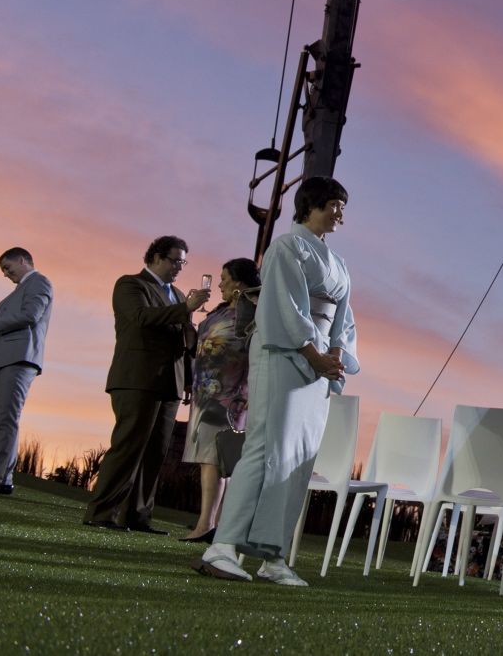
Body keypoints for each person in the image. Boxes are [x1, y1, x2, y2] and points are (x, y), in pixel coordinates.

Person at [197, 176, 359, 585]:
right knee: (266, 446)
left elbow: (343, 318)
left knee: (299, 457)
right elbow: (284, 305)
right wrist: (314, 354)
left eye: (343, 205)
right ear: (311, 204)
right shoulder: (286, 247)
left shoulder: (339, 263)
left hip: (318, 364)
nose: (340, 212)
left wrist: (335, 354)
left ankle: (272, 555)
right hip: (285, 356)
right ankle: (222, 545)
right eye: (334, 203)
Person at [84, 236, 211, 532]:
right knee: (129, 446)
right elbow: (140, 318)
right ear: (155, 257)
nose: (179, 267)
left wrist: (190, 377)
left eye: (183, 262)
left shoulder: (179, 294)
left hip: (171, 382)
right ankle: (101, 512)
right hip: (137, 379)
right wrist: (186, 308)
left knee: (156, 452)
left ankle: (138, 516)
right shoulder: (130, 285)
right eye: (175, 260)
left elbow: (183, 338)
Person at [179, 258, 260, 541]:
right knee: (208, 459)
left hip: (231, 395)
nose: (220, 283)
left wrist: (249, 390)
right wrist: (188, 319)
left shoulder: (254, 312)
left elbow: (256, 352)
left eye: (224, 278)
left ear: (238, 282)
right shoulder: (220, 311)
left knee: (218, 459)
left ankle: (208, 525)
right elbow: (197, 342)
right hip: (206, 392)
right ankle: (210, 524)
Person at [0, 248, 53, 495]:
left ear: (22, 260)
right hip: (2, 359)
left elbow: (31, 315)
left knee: (4, 419)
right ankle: (3, 476)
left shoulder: (40, 282)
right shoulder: (16, 292)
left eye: (8, 268)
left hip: (18, 358)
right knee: (1, 419)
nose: (6, 274)